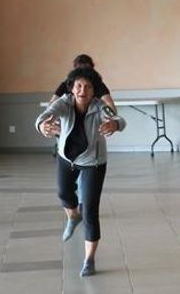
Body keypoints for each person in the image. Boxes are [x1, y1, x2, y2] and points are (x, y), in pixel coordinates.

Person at [36, 67, 126, 277]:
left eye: (87, 87)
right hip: (67, 159)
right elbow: (44, 115)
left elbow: (120, 120)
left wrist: (114, 124)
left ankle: (89, 259)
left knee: (90, 211)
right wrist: (42, 126)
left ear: (94, 90)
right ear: (72, 88)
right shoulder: (64, 103)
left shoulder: (99, 107)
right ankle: (73, 216)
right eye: (78, 86)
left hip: (94, 163)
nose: (82, 91)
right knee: (63, 194)